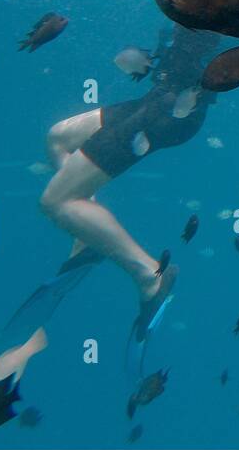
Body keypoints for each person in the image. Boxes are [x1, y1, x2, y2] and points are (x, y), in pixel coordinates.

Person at [36, 25, 217, 340]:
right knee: (58, 138)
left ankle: (149, 276)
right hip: (156, 100)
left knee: (55, 202)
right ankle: (89, 234)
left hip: (168, 112)